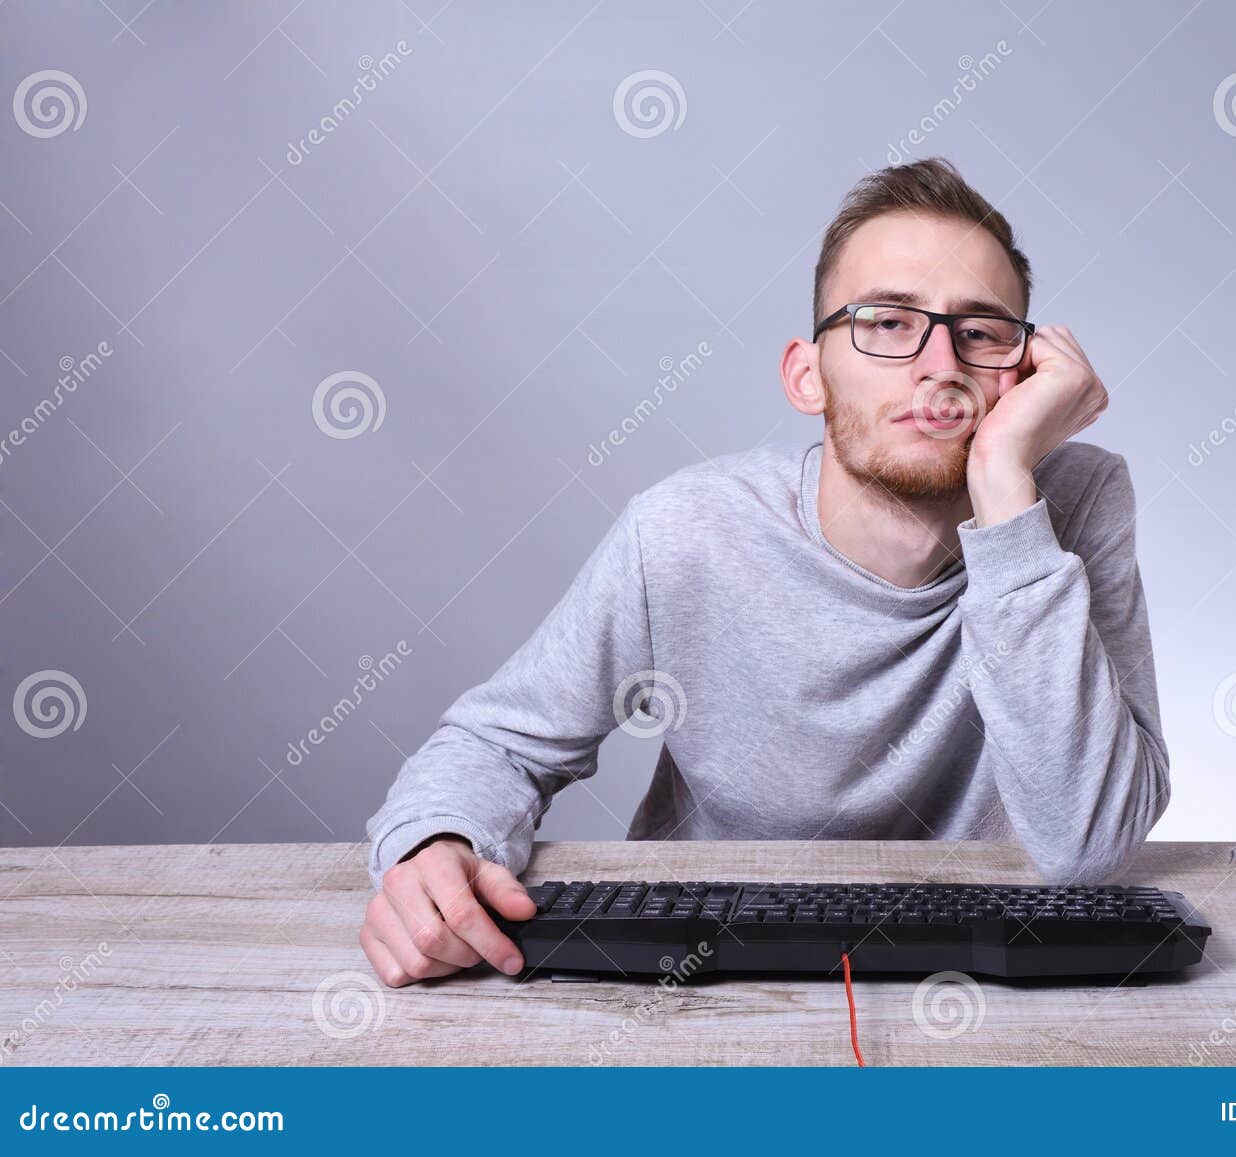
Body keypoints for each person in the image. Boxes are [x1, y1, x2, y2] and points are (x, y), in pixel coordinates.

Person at [359, 157, 1168, 988]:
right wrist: (436, 843)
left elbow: (1089, 841)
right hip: (701, 976)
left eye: (982, 333)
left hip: (974, 984)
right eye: (888, 322)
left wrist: (1003, 484)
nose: (940, 364)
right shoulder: (687, 532)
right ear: (806, 376)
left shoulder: (1070, 505)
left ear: (1024, 374)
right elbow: (496, 744)